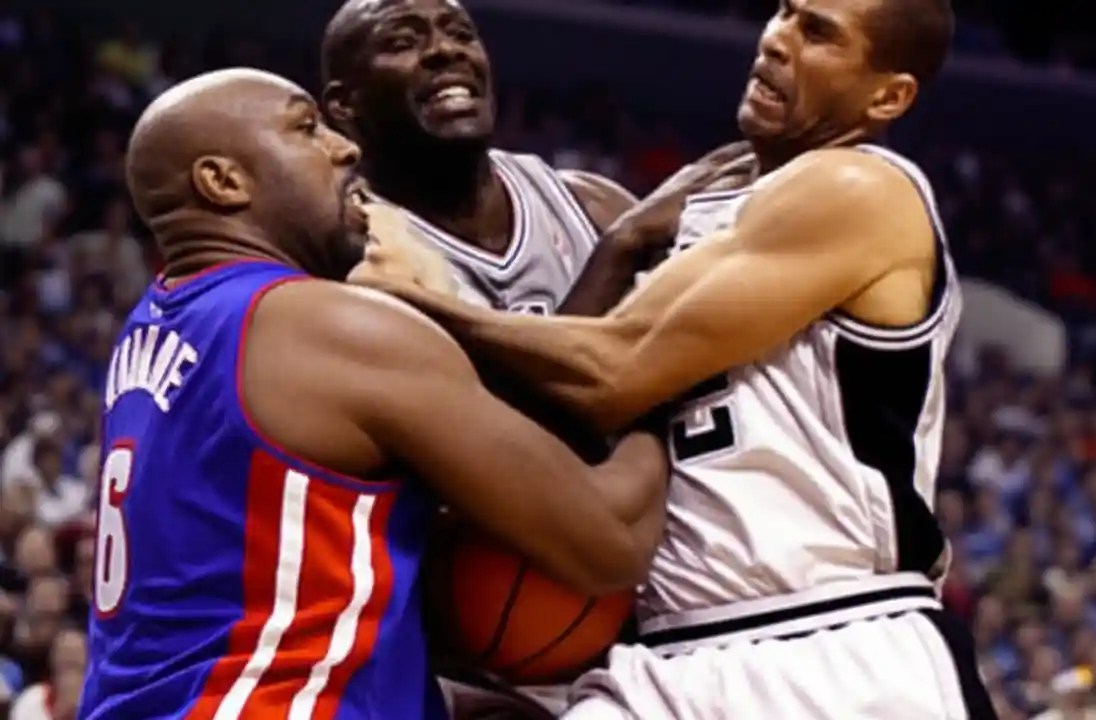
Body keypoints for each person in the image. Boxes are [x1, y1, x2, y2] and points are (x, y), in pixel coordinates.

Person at [351, 0, 998, 716]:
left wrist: (410, 301)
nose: (778, 40)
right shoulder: (720, 213)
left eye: (817, 33)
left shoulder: (861, 186)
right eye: (784, 12)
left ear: (888, 95)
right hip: (670, 653)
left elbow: (608, 374)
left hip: (830, 640)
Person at [77, 68, 670, 719]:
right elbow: (609, 540)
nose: (345, 147)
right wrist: (664, 377)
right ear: (224, 182)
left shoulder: (148, 332)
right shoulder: (326, 324)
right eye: (306, 128)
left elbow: (242, 596)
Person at [320, 0, 750, 322]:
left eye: (462, 34)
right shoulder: (355, 253)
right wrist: (618, 252)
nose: (446, 50)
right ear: (344, 105)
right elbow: (480, 424)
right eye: (403, 42)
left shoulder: (586, 202)